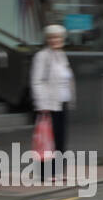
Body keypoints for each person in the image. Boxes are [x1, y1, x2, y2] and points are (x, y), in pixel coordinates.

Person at [30, 24, 74, 161]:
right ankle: (45, 172)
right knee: (48, 139)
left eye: (58, 37)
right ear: (48, 39)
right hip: (49, 105)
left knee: (60, 138)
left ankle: (58, 170)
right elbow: (36, 81)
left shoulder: (61, 56)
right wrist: (42, 104)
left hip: (62, 102)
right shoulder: (42, 56)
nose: (56, 40)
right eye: (52, 37)